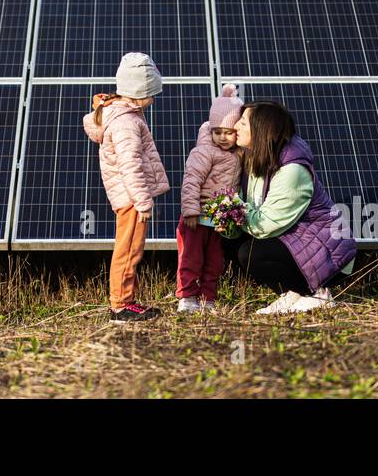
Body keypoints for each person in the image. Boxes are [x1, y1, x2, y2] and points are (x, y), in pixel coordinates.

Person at [231, 101, 358, 315]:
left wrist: (235, 211)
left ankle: (316, 294)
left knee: (251, 252)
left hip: (329, 252)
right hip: (297, 240)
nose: (235, 127)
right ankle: (293, 293)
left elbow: (265, 225)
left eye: (243, 123)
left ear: (262, 130)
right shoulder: (257, 158)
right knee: (233, 240)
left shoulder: (292, 170)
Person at [82, 52, 170, 322]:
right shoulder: (127, 124)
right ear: (137, 93)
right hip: (131, 198)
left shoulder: (119, 112)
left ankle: (126, 299)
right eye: (151, 93)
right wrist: (143, 201)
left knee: (129, 247)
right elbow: (130, 165)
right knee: (129, 249)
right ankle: (121, 305)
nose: (153, 99)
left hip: (127, 195)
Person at [176, 83, 244, 314]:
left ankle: (208, 298)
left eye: (229, 132)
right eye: (217, 132)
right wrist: (190, 211)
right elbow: (191, 180)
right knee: (191, 259)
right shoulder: (204, 151)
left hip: (218, 221)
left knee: (214, 262)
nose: (223, 137)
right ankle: (187, 297)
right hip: (196, 217)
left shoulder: (238, 155)